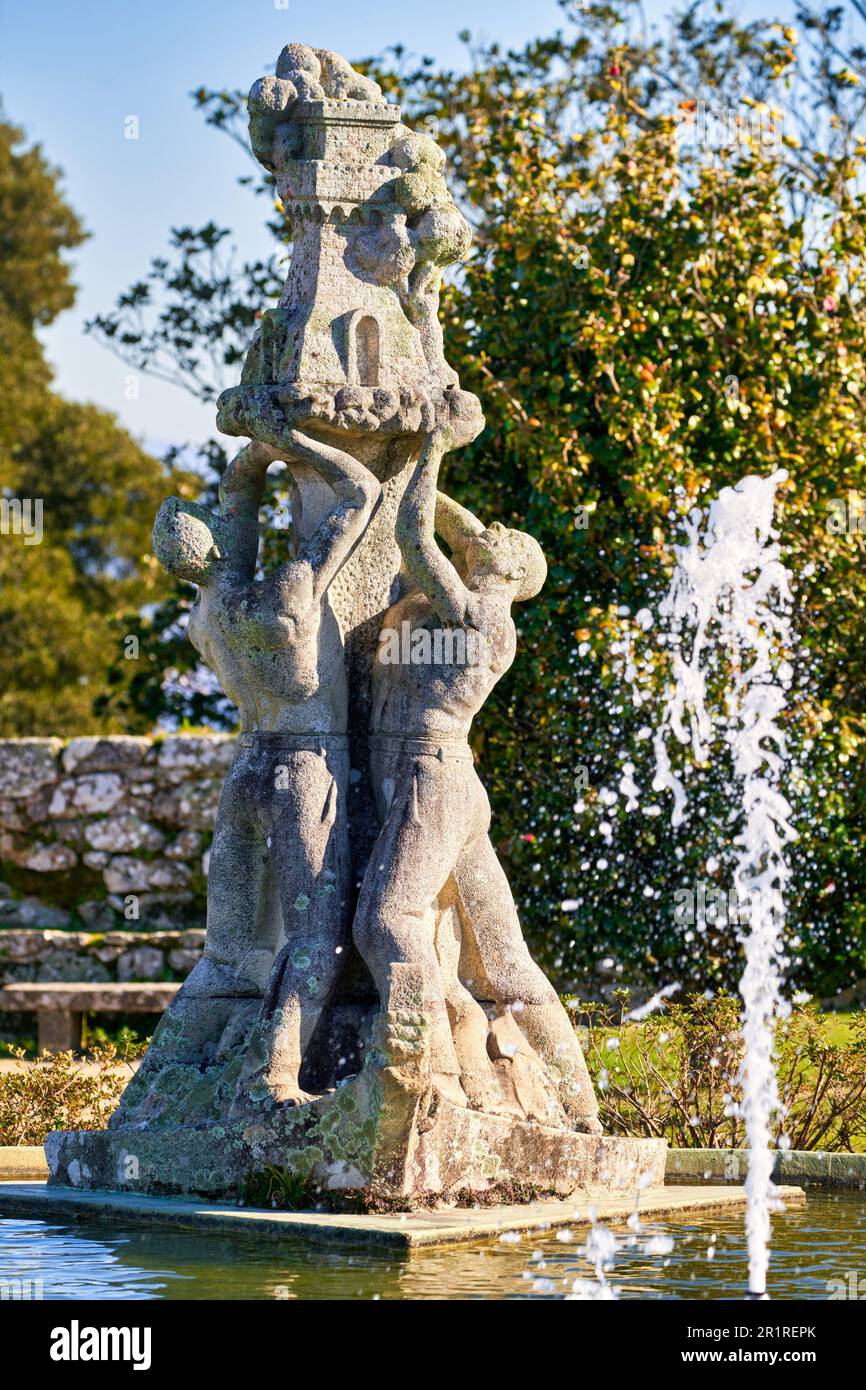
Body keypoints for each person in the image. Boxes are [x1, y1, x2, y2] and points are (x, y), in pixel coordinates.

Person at [352, 429, 600, 1130]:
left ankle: (428, 1083)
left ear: (510, 565)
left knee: (385, 921)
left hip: (428, 781)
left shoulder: (476, 610)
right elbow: (442, 523)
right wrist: (411, 461)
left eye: (500, 535)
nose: (482, 531)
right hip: (452, 785)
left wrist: (428, 448)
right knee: (503, 960)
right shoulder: (473, 604)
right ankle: (581, 1109)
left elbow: (411, 527)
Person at [127, 432, 380, 1114]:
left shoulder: (201, 618)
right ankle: (273, 1077)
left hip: (246, 771)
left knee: (228, 949)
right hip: (303, 769)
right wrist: (289, 440)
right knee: (313, 937)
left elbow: (232, 526)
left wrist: (252, 461)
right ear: (217, 545)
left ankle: (148, 1099)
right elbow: (363, 492)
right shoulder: (290, 591)